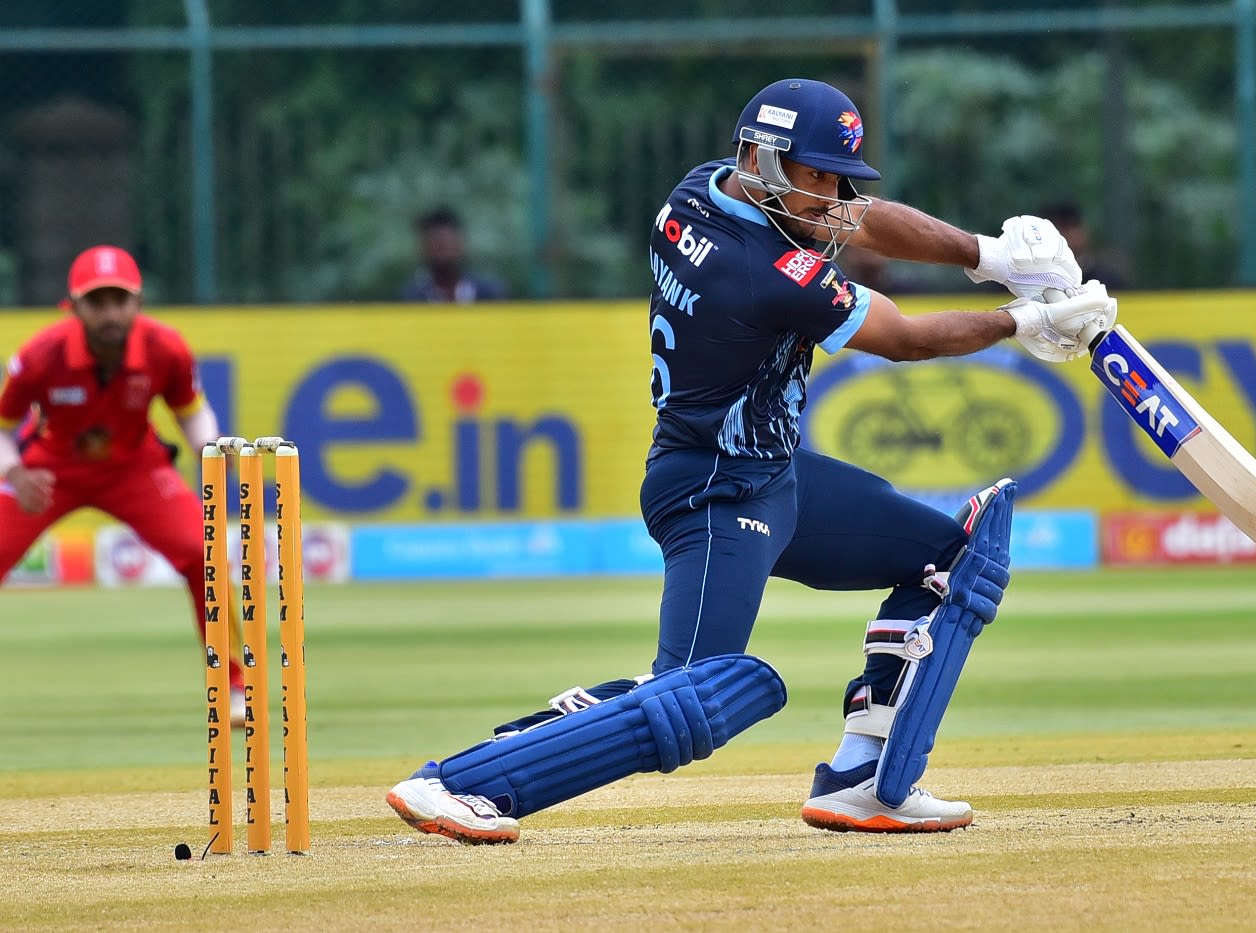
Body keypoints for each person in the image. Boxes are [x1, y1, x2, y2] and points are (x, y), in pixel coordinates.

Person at [384, 78, 1117, 844]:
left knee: (949, 557)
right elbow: (906, 338)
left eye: (839, 177)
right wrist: (1024, 317)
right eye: (816, 176)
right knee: (693, 695)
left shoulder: (701, 187)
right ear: (765, 159)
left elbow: (857, 219)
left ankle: (864, 778)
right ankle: (465, 778)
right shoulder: (762, 273)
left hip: (774, 475)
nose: (830, 197)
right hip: (714, 491)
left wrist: (991, 254)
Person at [0, 245, 246, 725]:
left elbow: (192, 414)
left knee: (204, 554)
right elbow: (3, 426)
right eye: (97, 302)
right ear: (73, 305)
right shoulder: (39, 356)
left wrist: (210, 450)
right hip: (50, 469)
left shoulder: (165, 347)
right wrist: (14, 474)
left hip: (135, 467)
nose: (110, 313)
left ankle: (234, 684)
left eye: (120, 300)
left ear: (138, 300)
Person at [399, 206, 508, 303]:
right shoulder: (409, 298)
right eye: (435, 244)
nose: (442, 251)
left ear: (462, 245)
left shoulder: (490, 294)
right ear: (422, 249)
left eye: (447, 243)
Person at [1037, 200, 1130, 291]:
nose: (1062, 234)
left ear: (1084, 230)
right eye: (1055, 228)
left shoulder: (1108, 281)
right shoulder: (1033, 281)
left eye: (1068, 226)